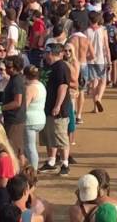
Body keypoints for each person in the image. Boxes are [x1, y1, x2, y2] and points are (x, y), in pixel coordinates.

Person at [40, 43, 73, 175]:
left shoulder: (61, 67)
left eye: (49, 53)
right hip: (47, 107)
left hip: (58, 108)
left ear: (56, 54)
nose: (46, 55)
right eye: (46, 53)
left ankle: (65, 163)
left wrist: (58, 105)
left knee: (60, 136)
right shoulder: (49, 67)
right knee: (49, 135)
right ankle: (51, 161)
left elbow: (63, 86)